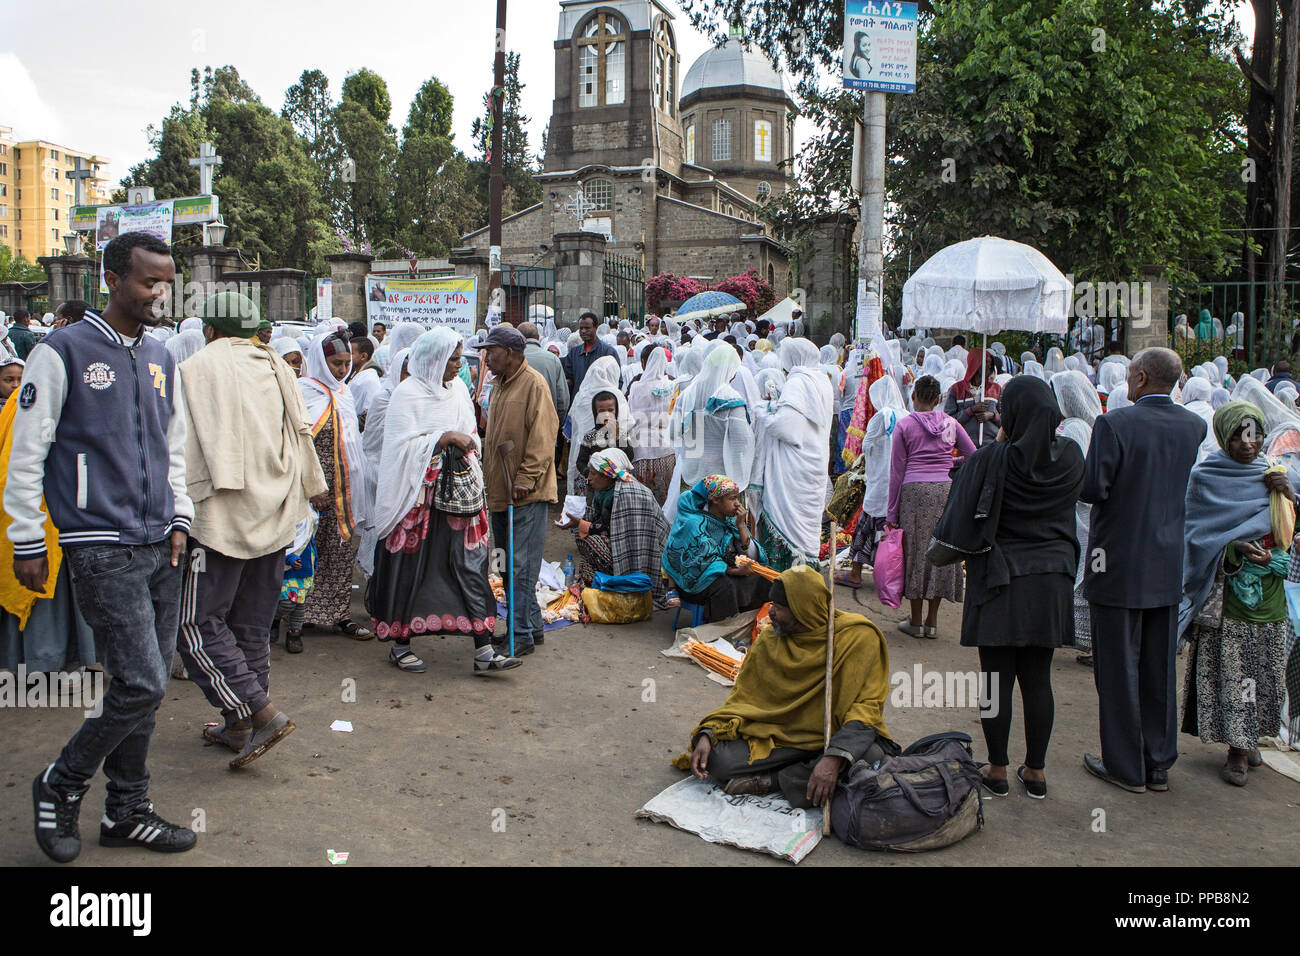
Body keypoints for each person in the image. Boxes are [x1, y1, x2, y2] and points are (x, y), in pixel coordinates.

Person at [7, 231, 196, 861]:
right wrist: (27, 537)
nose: (160, 293)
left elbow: (174, 450)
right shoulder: (60, 351)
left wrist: (181, 518)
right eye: (148, 281)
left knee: (140, 683)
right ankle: (60, 783)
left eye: (167, 281)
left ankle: (127, 809)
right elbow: (27, 455)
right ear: (111, 279)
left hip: (161, 544)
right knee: (142, 682)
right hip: (99, 543)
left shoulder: (162, 357)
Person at [175, 291, 327, 767]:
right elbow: (301, 435)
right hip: (277, 514)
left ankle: (259, 713)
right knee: (252, 625)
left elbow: (180, 448)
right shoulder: (278, 366)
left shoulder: (196, 368)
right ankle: (239, 727)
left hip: (218, 518)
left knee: (194, 622)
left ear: (211, 331)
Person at [936, 377, 1084, 798]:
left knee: (996, 679)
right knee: (1038, 677)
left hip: (1000, 579)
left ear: (1013, 414)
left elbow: (960, 507)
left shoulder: (993, 457)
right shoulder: (1072, 456)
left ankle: (997, 768)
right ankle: (1035, 771)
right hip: (1051, 579)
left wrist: (999, 441)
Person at [1081, 348, 1207, 793]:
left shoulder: (1114, 423)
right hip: (1167, 562)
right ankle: (1157, 763)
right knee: (1158, 667)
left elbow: (1094, 487)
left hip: (1117, 562)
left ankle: (1124, 766)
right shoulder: (1194, 426)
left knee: (1117, 667)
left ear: (1140, 378)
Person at [369, 329, 521, 674]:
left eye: (458, 358)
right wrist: (442, 439)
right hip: (416, 502)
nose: (458, 366)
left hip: (458, 502)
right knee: (412, 569)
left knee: (470, 566)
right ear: (433, 359)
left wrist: (461, 441)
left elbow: (471, 436)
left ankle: (484, 649)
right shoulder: (407, 395)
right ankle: (401, 643)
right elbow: (398, 449)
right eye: (452, 359)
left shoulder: (456, 393)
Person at [677, 566, 896, 803]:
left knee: (872, 757)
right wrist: (709, 733)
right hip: (781, 738)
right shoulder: (769, 641)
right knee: (718, 760)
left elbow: (867, 707)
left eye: (780, 608)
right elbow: (742, 700)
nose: (771, 613)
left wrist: (834, 757)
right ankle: (804, 771)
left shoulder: (857, 638)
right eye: (772, 605)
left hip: (831, 737)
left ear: (804, 611)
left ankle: (775, 780)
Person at [1177, 401, 1293, 786]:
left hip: (1270, 594)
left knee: (1266, 671)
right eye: (1240, 435)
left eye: (1256, 434)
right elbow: (1194, 537)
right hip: (1228, 596)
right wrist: (1232, 548)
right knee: (1234, 671)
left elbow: (1289, 535)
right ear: (1224, 437)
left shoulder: (1274, 476)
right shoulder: (1206, 477)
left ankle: (1250, 735)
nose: (1249, 443)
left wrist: (1289, 496)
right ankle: (1237, 750)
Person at [481, 325, 559, 657]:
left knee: (520, 565)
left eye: (492, 351)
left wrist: (526, 477)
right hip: (500, 489)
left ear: (511, 353)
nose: (487, 357)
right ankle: (531, 626)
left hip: (524, 492)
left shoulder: (534, 385)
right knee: (506, 563)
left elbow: (544, 437)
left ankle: (521, 633)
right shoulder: (499, 385)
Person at [298, 329, 372, 644]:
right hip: (312, 487)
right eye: (335, 363)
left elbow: (352, 443)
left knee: (339, 551)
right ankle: (297, 617)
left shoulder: (344, 393)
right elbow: (297, 443)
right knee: (304, 551)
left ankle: (339, 614)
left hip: (343, 488)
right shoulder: (303, 391)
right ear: (320, 360)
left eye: (345, 363)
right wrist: (311, 485)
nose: (342, 370)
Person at [889, 375, 976, 638]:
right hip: (943, 492)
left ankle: (915, 622)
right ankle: (932, 622)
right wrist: (950, 463)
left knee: (915, 552)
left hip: (914, 493)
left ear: (913, 395)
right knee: (940, 551)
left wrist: (892, 513)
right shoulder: (951, 423)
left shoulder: (904, 426)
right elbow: (973, 454)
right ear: (938, 400)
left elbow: (897, 471)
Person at [752, 338, 834, 571]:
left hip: (795, 470)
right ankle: (805, 580)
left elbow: (787, 428)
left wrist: (764, 409)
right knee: (807, 530)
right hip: (814, 461)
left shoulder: (798, 382)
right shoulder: (820, 380)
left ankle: (785, 588)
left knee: (789, 525)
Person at [563, 448, 671, 607]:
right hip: (617, 542)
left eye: (593, 473)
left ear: (607, 475)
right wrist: (581, 522)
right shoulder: (604, 491)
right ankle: (600, 585)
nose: (589, 478)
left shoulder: (628, 493)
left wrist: (582, 524)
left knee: (592, 542)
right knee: (584, 539)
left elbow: (617, 531)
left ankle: (623, 585)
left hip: (651, 556)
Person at [1049, 370, 1104, 667]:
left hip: (1076, 511)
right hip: (1086, 511)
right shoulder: (1095, 425)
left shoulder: (1073, 429)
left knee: (1080, 572)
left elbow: (1065, 470)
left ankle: (1088, 639)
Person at [663, 475, 767, 622]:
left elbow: (752, 554)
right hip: (694, 583)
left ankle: (750, 624)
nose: (737, 504)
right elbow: (703, 565)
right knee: (725, 586)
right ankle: (722, 631)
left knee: (764, 575)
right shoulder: (695, 524)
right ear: (716, 500)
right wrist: (736, 571)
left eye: (738, 498)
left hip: (724, 571)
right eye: (732, 499)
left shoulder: (731, 521)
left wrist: (741, 526)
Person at [838, 375, 908, 588]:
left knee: (866, 526)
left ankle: (856, 573)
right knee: (893, 530)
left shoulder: (881, 417)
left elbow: (867, 445)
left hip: (880, 480)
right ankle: (892, 576)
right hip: (900, 481)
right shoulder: (906, 415)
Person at [628, 344, 676, 504]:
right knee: (664, 498)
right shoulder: (669, 386)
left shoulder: (635, 387)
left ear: (644, 362)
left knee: (642, 499)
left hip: (640, 450)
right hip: (665, 449)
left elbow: (630, 416)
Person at [944, 347, 1001, 447]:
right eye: (986, 362)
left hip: (991, 446)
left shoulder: (996, 389)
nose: (989, 366)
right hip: (965, 446)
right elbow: (948, 421)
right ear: (976, 363)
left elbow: (1006, 421)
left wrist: (992, 416)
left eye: (990, 363)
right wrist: (970, 410)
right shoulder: (956, 389)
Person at [520, 321, 570, 425]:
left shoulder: (512, 358)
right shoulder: (553, 359)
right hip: (547, 422)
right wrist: (557, 422)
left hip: (519, 423)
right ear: (538, 337)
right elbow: (563, 398)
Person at [562, 311, 619, 397]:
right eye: (581, 328)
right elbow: (569, 377)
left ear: (595, 328)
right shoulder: (574, 353)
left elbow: (617, 380)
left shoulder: (607, 352)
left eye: (587, 328)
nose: (583, 331)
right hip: (579, 403)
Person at [348, 334, 382, 424]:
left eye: (351, 353)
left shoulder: (369, 379)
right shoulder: (357, 373)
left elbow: (370, 415)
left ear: (363, 356)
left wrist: (351, 425)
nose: (346, 356)